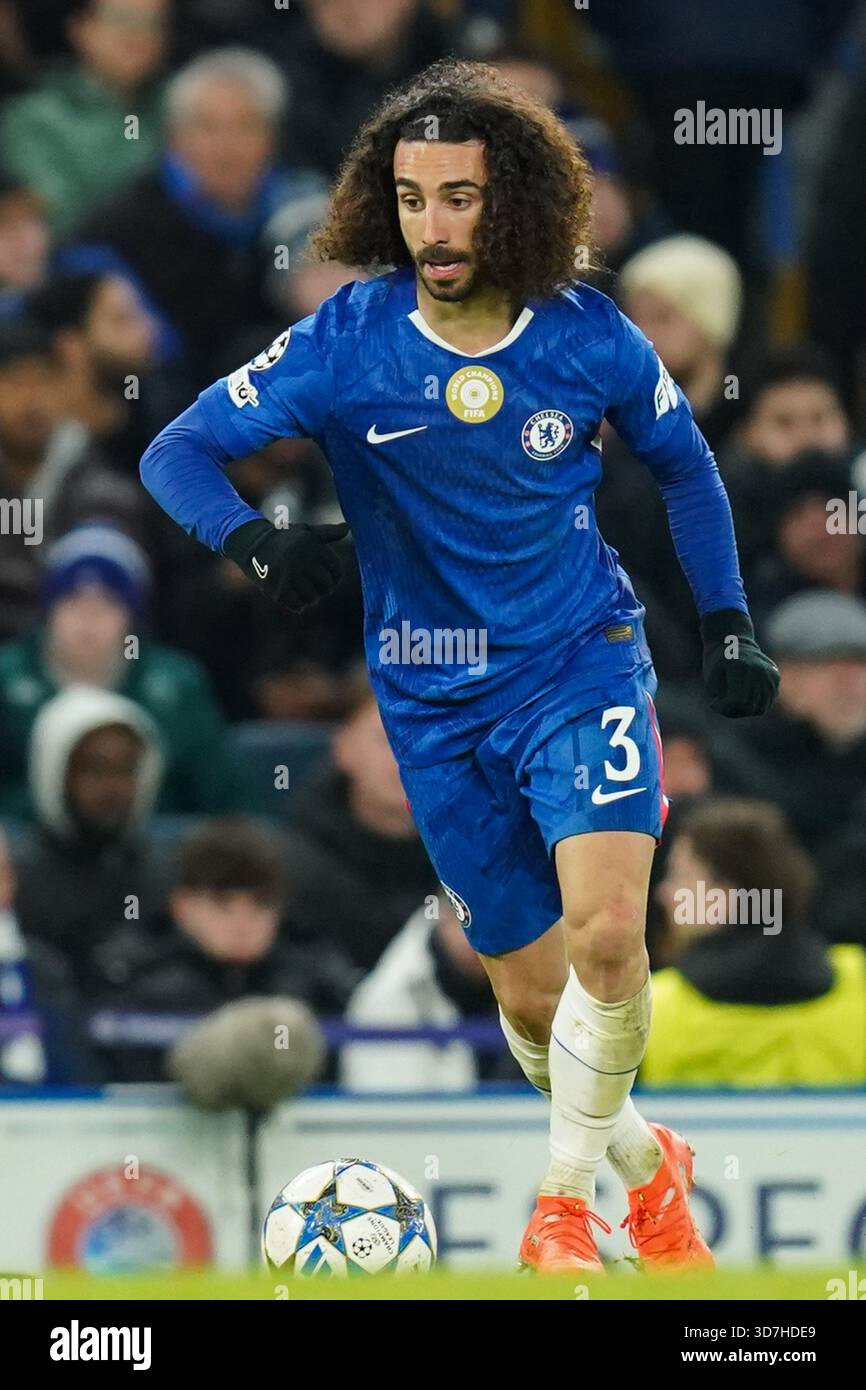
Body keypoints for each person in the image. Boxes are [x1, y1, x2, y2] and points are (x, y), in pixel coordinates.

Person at [140, 60, 779, 1274]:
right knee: (538, 1011)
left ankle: (554, 1211)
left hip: (579, 664)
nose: (432, 224)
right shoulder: (345, 341)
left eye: (460, 197)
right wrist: (259, 548)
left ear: (517, 201)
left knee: (605, 940)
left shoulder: (587, 334)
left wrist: (730, 620)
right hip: (430, 705)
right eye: (411, 195)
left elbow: (687, 469)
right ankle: (648, 1167)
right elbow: (179, 451)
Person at [64, 46, 327, 389]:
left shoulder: (300, 205)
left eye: (245, 126)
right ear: (175, 139)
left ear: (271, 139)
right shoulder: (123, 225)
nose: (227, 146)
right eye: (208, 127)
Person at [0, 522, 240, 817]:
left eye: (108, 604)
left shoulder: (179, 684)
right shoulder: (5, 675)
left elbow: (223, 796)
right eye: (73, 600)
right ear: (49, 610)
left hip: (155, 852)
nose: (88, 618)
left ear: (133, 619)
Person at [93, 817, 357, 1082]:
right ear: (182, 906)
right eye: (222, 904)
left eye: (261, 904)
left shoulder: (318, 987)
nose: (242, 924)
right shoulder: (132, 985)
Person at [645, 800, 866, 1088]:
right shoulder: (857, 979)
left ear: (723, 894)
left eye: (678, 877)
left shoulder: (655, 1007)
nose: (663, 893)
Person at [12, 684, 165, 993]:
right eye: (93, 770)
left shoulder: (164, 873)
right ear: (55, 773)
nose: (113, 788)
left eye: (126, 769)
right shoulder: (16, 880)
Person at [281, 685, 438, 973]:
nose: (402, 758)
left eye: (420, 739)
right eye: (385, 739)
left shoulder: (476, 865)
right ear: (343, 748)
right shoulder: (291, 866)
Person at [0, 0, 168, 237]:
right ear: (81, 28)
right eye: (122, 19)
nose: (137, 35)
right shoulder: (34, 119)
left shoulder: (180, 108)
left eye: (151, 24)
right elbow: (56, 220)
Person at [340, 891, 512, 1093]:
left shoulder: (522, 978)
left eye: (499, 923)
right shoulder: (386, 1001)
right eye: (468, 921)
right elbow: (390, 1114)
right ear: (443, 917)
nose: (484, 938)